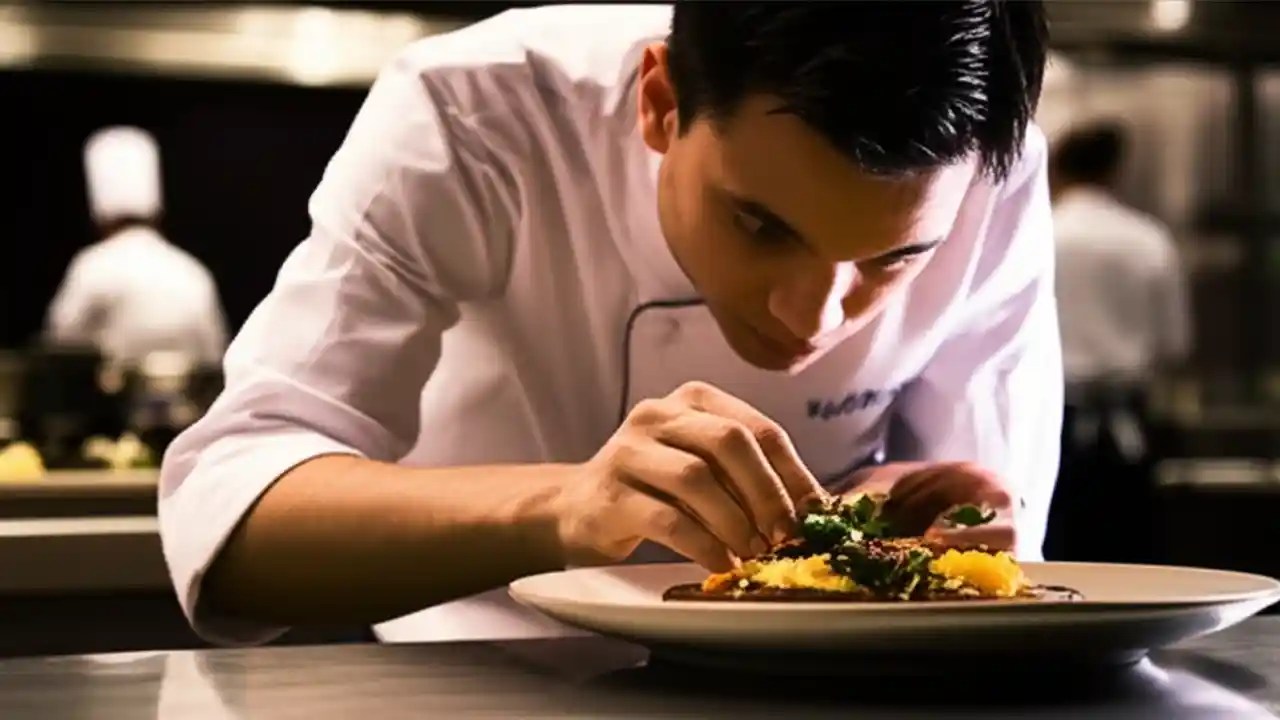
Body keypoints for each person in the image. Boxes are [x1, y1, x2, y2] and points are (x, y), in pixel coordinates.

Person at [158, 2, 1061, 645]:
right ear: (660, 104)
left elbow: (998, 571)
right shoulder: (475, 115)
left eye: (889, 260)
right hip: (478, 681)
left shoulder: (997, 167)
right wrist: (563, 505)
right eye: (759, 225)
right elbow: (233, 523)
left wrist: (918, 517)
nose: (815, 316)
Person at [1043, 120, 1192, 563]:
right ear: (1114, 172)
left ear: (1058, 170)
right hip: (1128, 424)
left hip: (1054, 419)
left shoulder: (1043, 234)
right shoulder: (1147, 239)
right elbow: (1175, 343)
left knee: (1061, 552)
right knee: (1129, 555)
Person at [45, 126, 228, 369]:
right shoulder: (191, 270)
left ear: (100, 220)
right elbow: (215, 351)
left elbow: (61, 341)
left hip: (111, 401)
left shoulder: (94, 265)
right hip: (191, 401)